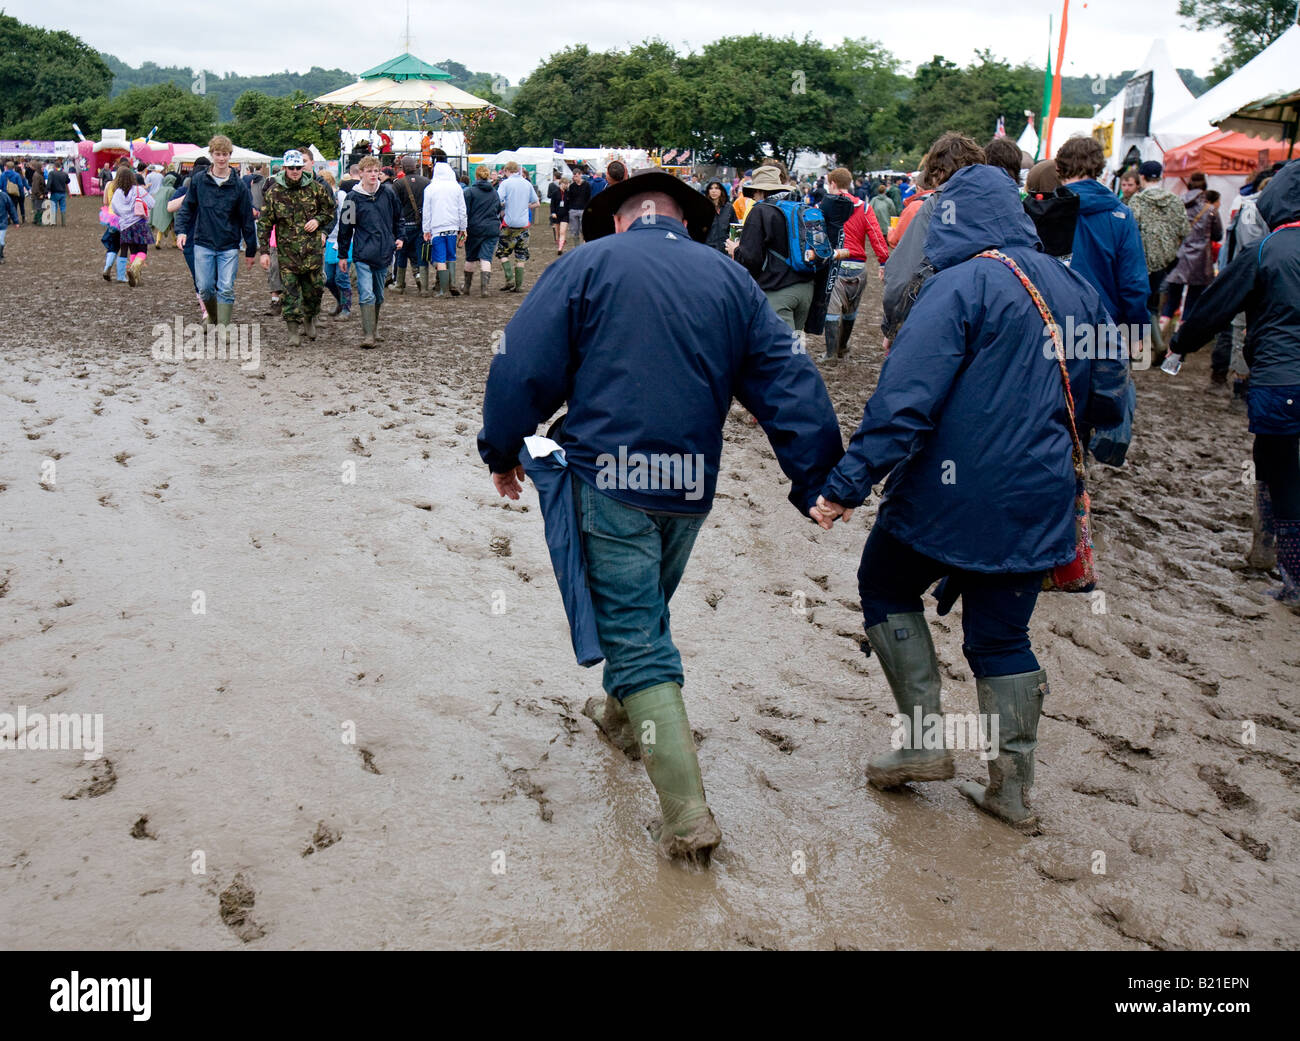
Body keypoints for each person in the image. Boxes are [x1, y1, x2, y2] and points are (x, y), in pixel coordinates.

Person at [481, 170, 845, 864]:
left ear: (619, 218)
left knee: (637, 634)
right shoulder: (730, 279)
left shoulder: (583, 265)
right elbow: (787, 378)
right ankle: (621, 715)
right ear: (684, 218)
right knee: (641, 614)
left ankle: (686, 816)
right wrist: (819, 480)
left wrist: (502, 450)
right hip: (689, 486)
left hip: (609, 479)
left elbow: (519, 365)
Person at [813, 163, 1127, 830]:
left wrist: (846, 485)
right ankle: (1011, 790)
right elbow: (1107, 396)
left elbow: (904, 401)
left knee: (885, 582)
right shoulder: (1076, 287)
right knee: (1002, 636)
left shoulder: (958, 286)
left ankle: (924, 739)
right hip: (1040, 496)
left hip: (945, 495)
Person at [1167, 161, 1300, 607]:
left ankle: (1291, 574)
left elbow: (1216, 305)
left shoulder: (1267, 250)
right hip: (1282, 380)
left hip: (1279, 383)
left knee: (1279, 475)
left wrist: (1182, 344)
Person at [882, 133, 986, 344]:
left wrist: (892, 326)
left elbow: (902, 277)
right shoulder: (1002, 205)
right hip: (989, 324)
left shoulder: (936, 205)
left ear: (938, 172)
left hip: (940, 321)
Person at [1057, 137, 1149, 333]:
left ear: (1059, 167)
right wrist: (1138, 330)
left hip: (1053, 323)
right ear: (1098, 167)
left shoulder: (1044, 211)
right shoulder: (1121, 215)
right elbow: (1133, 281)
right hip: (1103, 325)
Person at [174, 136, 258, 328]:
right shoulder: (198, 181)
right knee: (204, 288)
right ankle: (212, 316)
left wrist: (251, 250)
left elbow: (246, 219)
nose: (221, 158)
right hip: (203, 242)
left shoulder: (239, 186)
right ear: (211, 155)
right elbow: (187, 207)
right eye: (218, 154)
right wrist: (181, 231)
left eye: (225, 154)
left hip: (229, 245)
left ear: (230, 156)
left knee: (226, 288)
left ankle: (223, 327)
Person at [256, 150, 337, 346]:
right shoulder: (274, 192)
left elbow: (330, 211)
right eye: (291, 167)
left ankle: (309, 318)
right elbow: (264, 223)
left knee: (315, 290)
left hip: (312, 252)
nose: (295, 171)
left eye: (298, 167)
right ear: (284, 168)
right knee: (290, 293)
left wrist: (318, 221)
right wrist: (264, 252)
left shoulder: (315, 188)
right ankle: (293, 329)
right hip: (287, 253)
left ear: (303, 168)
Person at [726, 163, 815, 331]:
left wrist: (735, 250)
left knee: (781, 351)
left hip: (778, 291)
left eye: (754, 193)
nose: (753, 198)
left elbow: (751, 259)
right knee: (796, 345)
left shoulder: (760, 211)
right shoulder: (799, 207)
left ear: (760, 191)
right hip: (806, 288)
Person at [819, 166, 890, 360]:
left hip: (836, 265)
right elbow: (876, 236)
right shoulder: (864, 207)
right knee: (851, 310)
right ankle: (843, 348)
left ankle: (831, 353)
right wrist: (883, 262)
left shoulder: (823, 207)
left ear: (833, 183)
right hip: (858, 268)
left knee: (831, 310)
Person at [337, 155, 403, 348]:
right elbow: (345, 227)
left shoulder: (388, 194)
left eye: (376, 171)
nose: (373, 175)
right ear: (361, 174)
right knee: (367, 294)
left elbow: (398, 218)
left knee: (378, 295)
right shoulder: (352, 198)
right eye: (369, 171)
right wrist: (342, 254)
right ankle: (368, 336)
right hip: (362, 252)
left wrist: (400, 237)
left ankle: (374, 328)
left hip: (384, 251)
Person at [1127, 160, 1190, 361]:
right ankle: (1157, 343)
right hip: (1165, 261)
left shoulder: (1137, 201)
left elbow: (1129, 231)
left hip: (1140, 260)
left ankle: (1142, 347)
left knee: (1138, 303)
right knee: (1154, 304)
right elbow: (1184, 230)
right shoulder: (1175, 200)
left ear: (1142, 178)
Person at [1160, 172, 1222, 340]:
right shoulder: (1209, 210)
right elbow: (1218, 235)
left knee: (1171, 301)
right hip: (1200, 261)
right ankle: (1178, 344)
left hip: (1177, 258)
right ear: (1204, 188)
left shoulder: (1176, 205)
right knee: (1191, 302)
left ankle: (1158, 339)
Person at [421, 157, 467, 298]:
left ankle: (443, 290)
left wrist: (426, 229)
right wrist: (463, 228)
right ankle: (452, 283)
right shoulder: (457, 188)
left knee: (440, 258)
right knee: (451, 256)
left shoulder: (430, 188)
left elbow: (426, 211)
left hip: (437, 227)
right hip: (453, 226)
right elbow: (462, 209)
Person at [495, 161, 538, 293]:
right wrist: (526, 206)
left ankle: (509, 279)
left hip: (508, 224)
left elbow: (498, 200)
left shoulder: (505, 184)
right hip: (523, 225)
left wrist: (504, 207)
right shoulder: (527, 183)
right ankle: (518, 286)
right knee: (521, 255)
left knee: (502, 252)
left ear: (508, 170)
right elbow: (536, 203)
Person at [110, 165, 154, 286]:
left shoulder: (117, 193)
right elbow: (151, 203)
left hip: (125, 226)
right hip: (139, 224)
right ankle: (134, 269)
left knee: (133, 251)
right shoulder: (138, 190)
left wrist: (125, 215)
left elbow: (115, 209)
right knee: (142, 251)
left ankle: (136, 276)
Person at [392, 156, 430, 295]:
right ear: (416, 166)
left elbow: (394, 207)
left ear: (402, 167)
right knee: (422, 255)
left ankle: (400, 284)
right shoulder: (426, 182)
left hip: (404, 225)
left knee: (401, 254)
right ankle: (424, 287)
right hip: (421, 225)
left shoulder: (398, 184)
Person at [462, 163, 503, 295]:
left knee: (471, 258)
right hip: (491, 229)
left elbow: (465, 212)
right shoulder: (494, 193)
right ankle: (484, 289)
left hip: (474, 229)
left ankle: (467, 287)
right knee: (486, 258)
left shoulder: (470, 192)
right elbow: (498, 210)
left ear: (476, 176)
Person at [318, 169, 352, 321]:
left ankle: (346, 307)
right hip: (330, 241)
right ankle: (340, 301)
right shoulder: (321, 199)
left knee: (341, 277)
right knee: (328, 278)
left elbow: (349, 219)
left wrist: (347, 238)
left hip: (344, 241)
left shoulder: (342, 195)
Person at [703, 179, 736, 251]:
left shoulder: (729, 208)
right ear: (708, 191)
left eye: (716, 188)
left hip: (725, 248)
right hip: (708, 248)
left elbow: (734, 227)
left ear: (721, 190)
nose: (713, 191)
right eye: (711, 188)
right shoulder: (703, 207)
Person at [565, 167, 591, 250]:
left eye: (576, 176)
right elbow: (569, 198)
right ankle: (576, 247)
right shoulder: (572, 186)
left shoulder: (587, 185)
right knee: (574, 229)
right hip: (573, 210)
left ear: (580, 175)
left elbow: (588, 197)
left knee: (583, 228)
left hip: (583, 209)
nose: (575, 178)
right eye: (574, 176)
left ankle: (585, 245)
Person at [547, 176, 566, 250]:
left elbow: (549, 196)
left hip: (555, 208)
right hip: (559, 208)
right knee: (560, 226)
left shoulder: (551, 185)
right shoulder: (564, 189)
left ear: (554, 177)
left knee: (555, 225)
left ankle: (557, 239)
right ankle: (561, 239)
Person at [0, 186, 17, 262]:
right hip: (3, 222)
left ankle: (0, 256)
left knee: (1, 241)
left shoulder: (4, 196)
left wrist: (16, 221)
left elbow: (11, 208)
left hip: (2, 222)